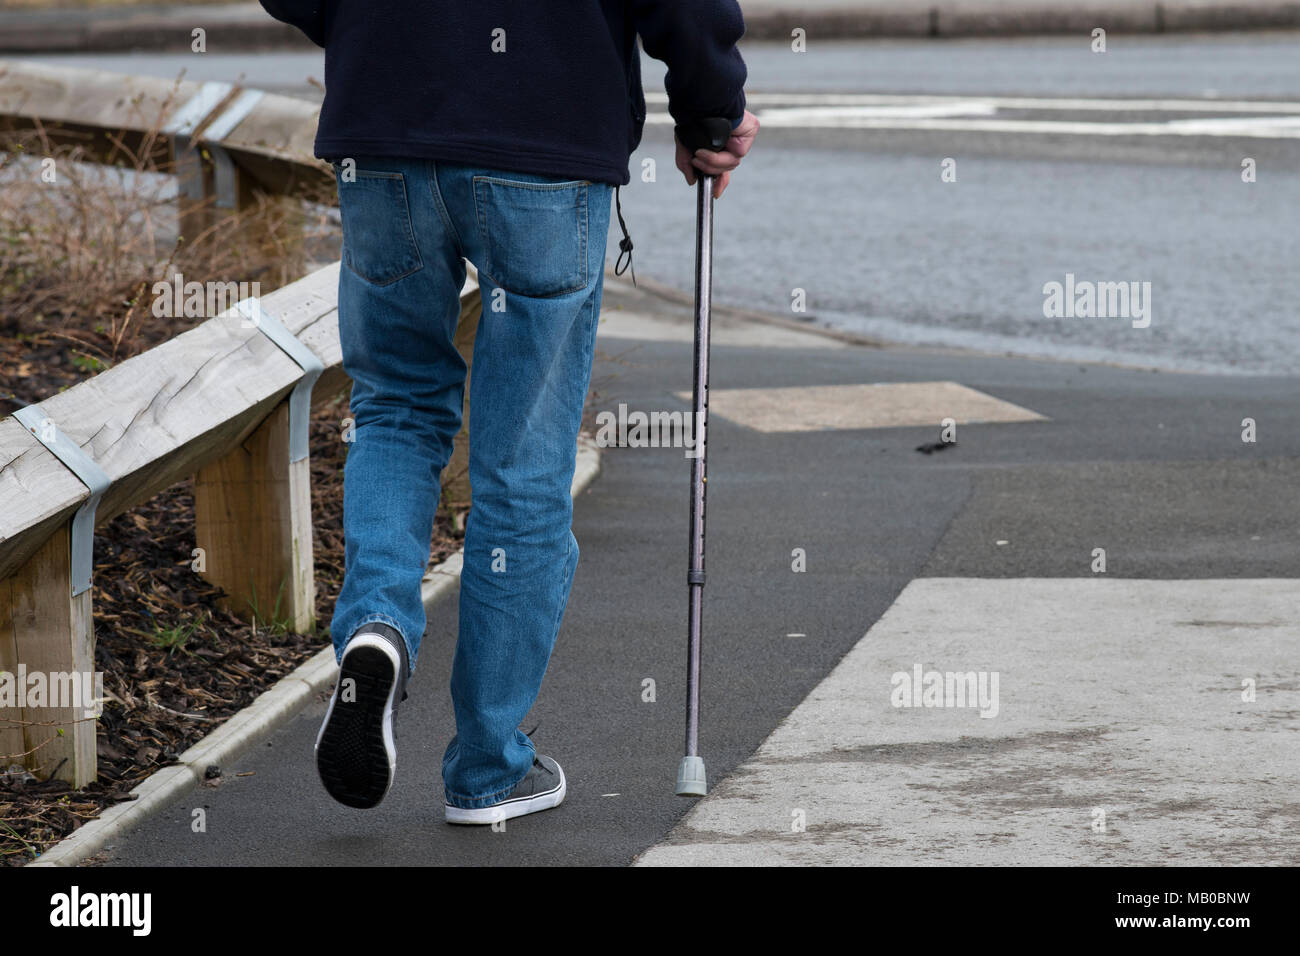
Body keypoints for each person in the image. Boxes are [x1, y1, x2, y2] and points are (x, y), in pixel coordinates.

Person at [259, 0, 759, 824]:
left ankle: (375, 629)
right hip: (547, 143)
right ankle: (488, 771)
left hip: (383, 134)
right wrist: (712, 106)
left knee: (395, 411)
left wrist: (372, 28)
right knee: (522, 461)